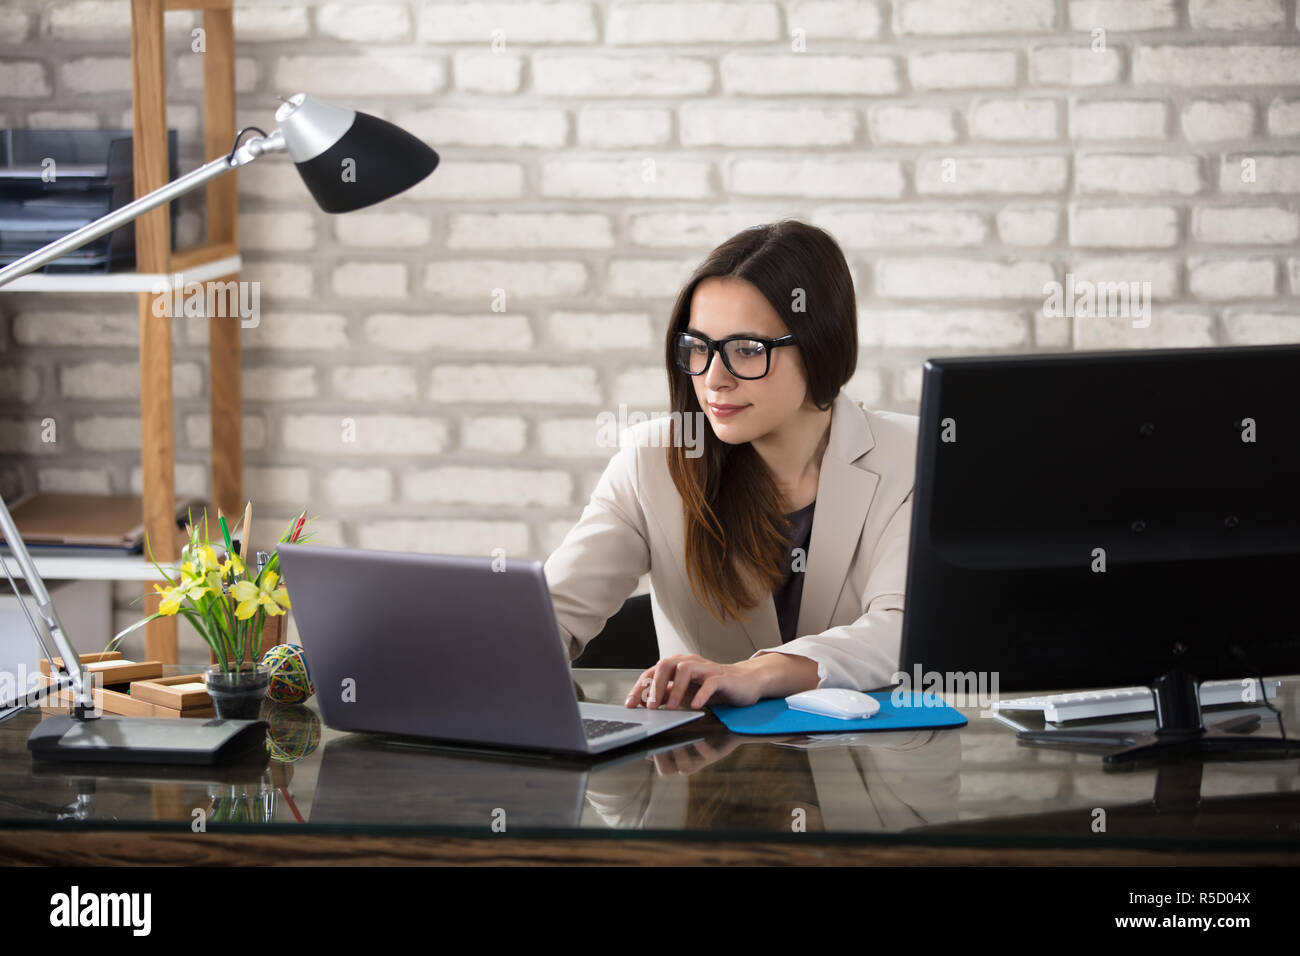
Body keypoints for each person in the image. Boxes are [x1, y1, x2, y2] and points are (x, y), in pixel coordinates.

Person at [543, 219, 917, 713]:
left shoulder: (910, 457)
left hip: (867, 768)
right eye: (699, 347)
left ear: (820, 344)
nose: (714, 379)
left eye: (746, 350)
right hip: (701, 771)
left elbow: (903, 629)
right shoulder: (651, 461)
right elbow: (553, 616)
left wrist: (757, 672)